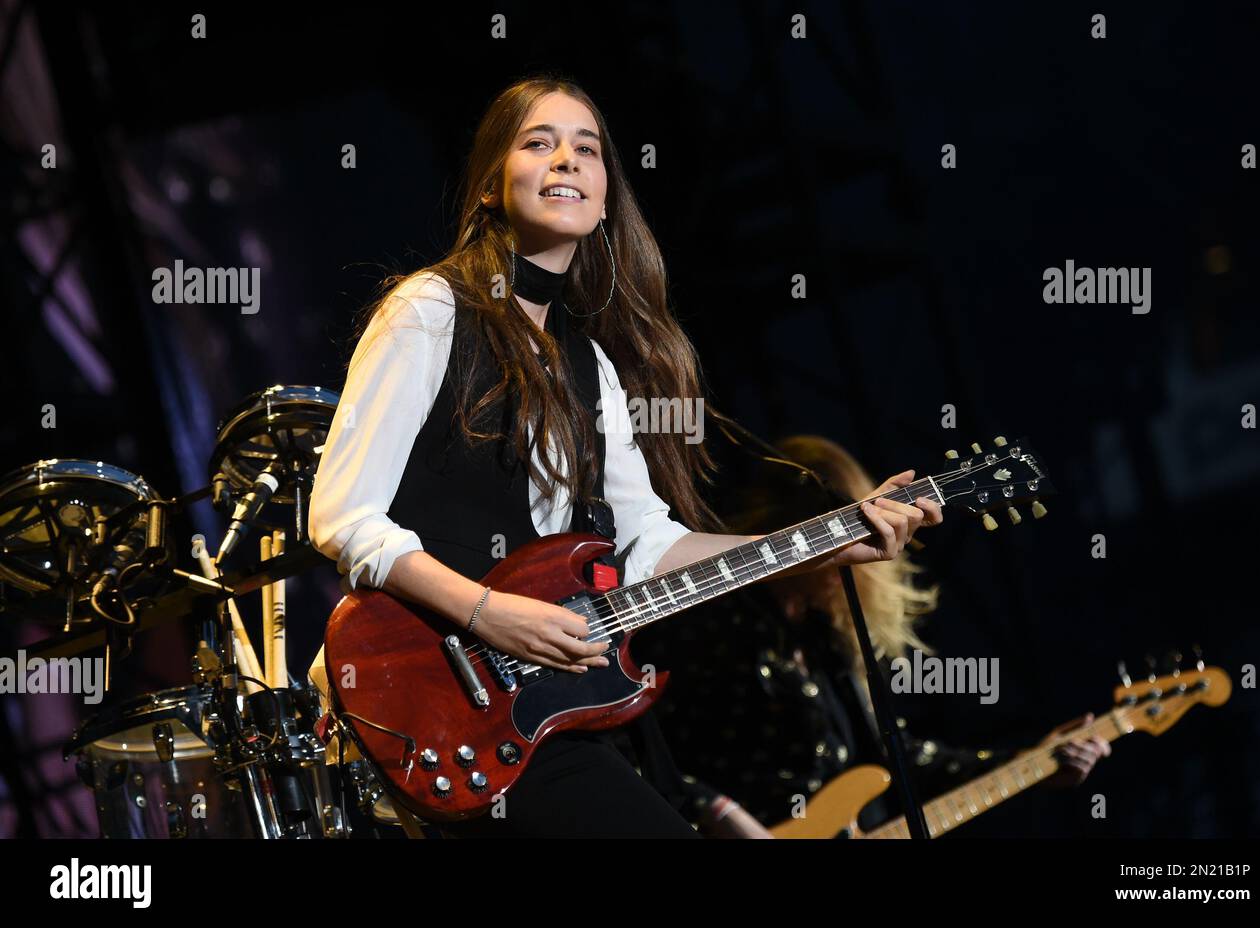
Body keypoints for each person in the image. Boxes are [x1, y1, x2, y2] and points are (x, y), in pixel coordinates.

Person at [305, 76, 941, 837]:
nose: (566, 161)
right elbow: (344, 516)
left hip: (550, 717)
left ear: (605, 197)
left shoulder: (591, 367)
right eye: (538, 143)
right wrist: (489, 613)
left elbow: (651, 545)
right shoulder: (431, 310)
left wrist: (831, 544)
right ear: (488, 187)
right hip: (436, 704)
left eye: (587, 150)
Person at [634, 435, 1111, 838]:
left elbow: (898, 758)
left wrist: (1031, 760)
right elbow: (645, 747)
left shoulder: (827, 644)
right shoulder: (710, 623)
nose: (847, 558)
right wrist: (725, 818)